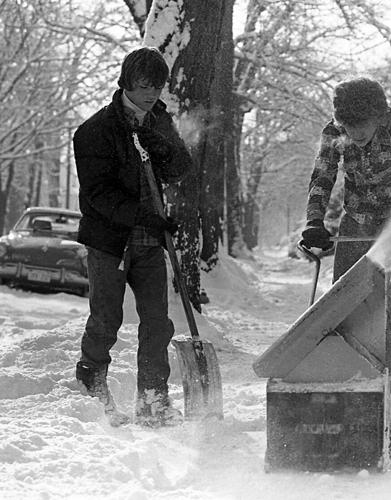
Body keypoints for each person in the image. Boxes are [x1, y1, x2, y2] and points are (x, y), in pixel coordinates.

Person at [73, 47, 192, 427]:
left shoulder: (158, 120)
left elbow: (179, 169)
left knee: (157, 322)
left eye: (156, 88)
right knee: (107, 318)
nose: (150, 95)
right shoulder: (95, 130)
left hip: (149, 242)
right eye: (143, 87)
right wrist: (143, 215)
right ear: (126, 83)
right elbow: (97, 194)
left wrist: (163, 146)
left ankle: (154, 400)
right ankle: (92, 384)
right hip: (109, 242)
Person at [301, 77, 391, 411]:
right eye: (349, 126)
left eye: (362, 125)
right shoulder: (334, 131)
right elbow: (322, 176)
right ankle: (349, 386)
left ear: (379, 117)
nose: (355, 133)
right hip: (356, 221)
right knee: (343, 302)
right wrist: (314, 221)